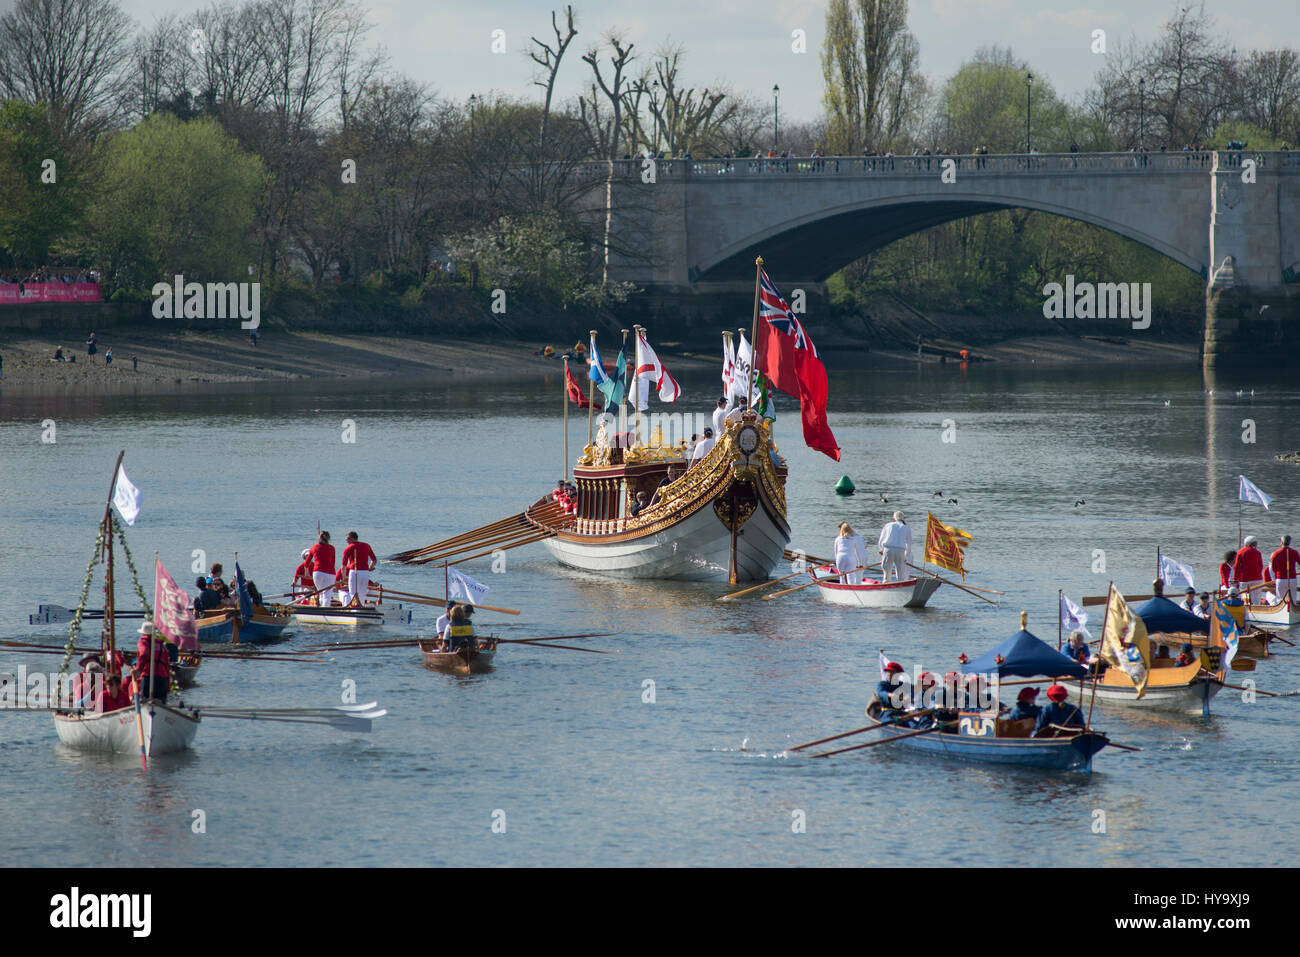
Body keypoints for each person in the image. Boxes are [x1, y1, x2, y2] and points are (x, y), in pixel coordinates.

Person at [133, 621, 170, 703]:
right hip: (162, 678)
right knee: (161, 703)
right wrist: (168, 684)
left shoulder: (143, 642)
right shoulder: (162, 646)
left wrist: (138, 670)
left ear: (143, 633)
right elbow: (167, 666)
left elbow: (143, 653)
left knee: (145, 701)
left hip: (148, 677)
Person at [339, 531, 377, 607]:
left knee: (353, 592)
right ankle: (360, 607)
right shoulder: (366, 545)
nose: (346, 541)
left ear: (352, 538)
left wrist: (344, 577)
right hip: (365, 573)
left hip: (354, 572)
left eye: (347, 539)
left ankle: (354, 610)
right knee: (362, 593)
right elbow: (374, 560)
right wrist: (369, 568)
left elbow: (343, 565)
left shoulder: (349, 548)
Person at [877, 511, 912, 582]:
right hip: (900, 551)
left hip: (888, 550)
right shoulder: (906, 528)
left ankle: (886, 583)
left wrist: (881, 550)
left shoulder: (888, 525)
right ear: (903, 519)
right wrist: (906, 556)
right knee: (900, 573)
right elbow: (909, 544)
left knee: (886, 571)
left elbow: (881, 539)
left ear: (894, 519)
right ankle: (901, 584)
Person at [307, 531, 337, 605]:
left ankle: (320, 610)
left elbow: (307, 562)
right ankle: (325, 610)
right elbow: (333, 562)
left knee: (320, 592)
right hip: (330, 573)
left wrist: (306, 571)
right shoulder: (332, 548)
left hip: (318, 572)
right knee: (327, 594)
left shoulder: (314, 547)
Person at [1270, 535, 1300, 607]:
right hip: (1292, 579)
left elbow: (1273, 568)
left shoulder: (1275, 553)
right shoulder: (1294, 552)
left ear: (1281, 543)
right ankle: (1292, 609)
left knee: (1280, 599)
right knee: (1293, 598)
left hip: (1281, 579)